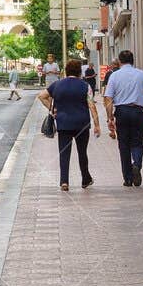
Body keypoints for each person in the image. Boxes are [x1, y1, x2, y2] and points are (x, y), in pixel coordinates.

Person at [39, 59, 97, 191]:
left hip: (63, 123)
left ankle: (64, 181)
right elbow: (92, 106)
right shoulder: (85, 86)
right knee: (82, 152)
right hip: (82, 124)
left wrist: (52, 110)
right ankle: (85, 179)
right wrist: (97, 124)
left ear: (66, 71)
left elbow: (42, 96)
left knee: (64, 153)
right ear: (79, 72)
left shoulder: (57, 85)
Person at [103, 50, 143, 186]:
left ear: (119, 62)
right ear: (133, 60)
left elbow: (108, 98)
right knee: (138, 142)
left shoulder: (114, 76)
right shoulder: (142, 74)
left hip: (122, 112)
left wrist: (110, 118)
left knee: (123, 144)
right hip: (138, 112)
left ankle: (128, 178)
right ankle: (137, 164)